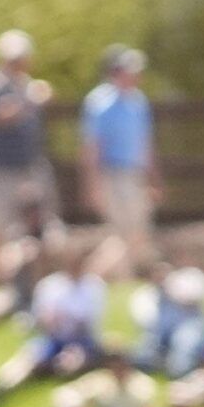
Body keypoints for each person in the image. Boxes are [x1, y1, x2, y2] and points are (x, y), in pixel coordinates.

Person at [79, 45, 157, 258]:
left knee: (139, 228)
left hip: (135, 174)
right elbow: (92, 147)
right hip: (110, 174)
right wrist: (93, 185)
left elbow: (145, 143)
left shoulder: (139, 102)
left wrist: (153, 179)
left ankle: (131, 276)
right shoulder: (98, 102)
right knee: (117, 230)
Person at [0, 30, 52, 233]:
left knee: (39, 221)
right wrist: (29, 100)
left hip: (29, 164)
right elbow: (0, 116)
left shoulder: (27, 84)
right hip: (2, 167)